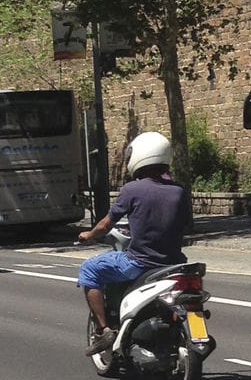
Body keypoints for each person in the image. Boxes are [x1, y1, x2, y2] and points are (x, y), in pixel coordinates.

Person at [76, 130, 191, 351]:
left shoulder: (132, 189)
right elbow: (182, 224)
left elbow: (106, 225)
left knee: (90, 269)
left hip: (139, 263)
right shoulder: (179, 191)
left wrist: (89, 235)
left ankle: (104, 331)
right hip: (174, 263)